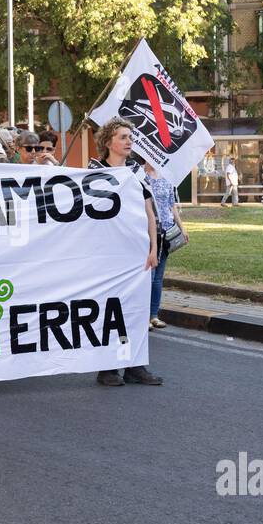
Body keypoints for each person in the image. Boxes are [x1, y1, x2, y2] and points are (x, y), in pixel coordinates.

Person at [88, 118, 162, 387]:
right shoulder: (93, 172)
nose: (129, 141)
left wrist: (153, 248)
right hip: (106, 255)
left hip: (135, 255)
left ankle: (135, 366)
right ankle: (106, 368)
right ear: (108, 142)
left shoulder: (136, 172)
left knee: (136, 310)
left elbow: (148, 212)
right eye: (122, 137)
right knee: (109, 312)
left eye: (130, 137)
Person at [138, 153, 177, 331]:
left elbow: (172, 205)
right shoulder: (140, 176)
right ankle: (143, 316)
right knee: (149, 275)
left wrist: (181, 228)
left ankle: (154, 314)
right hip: (147, 230)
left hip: (166, 231)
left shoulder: (167, 177)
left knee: (159, 277)